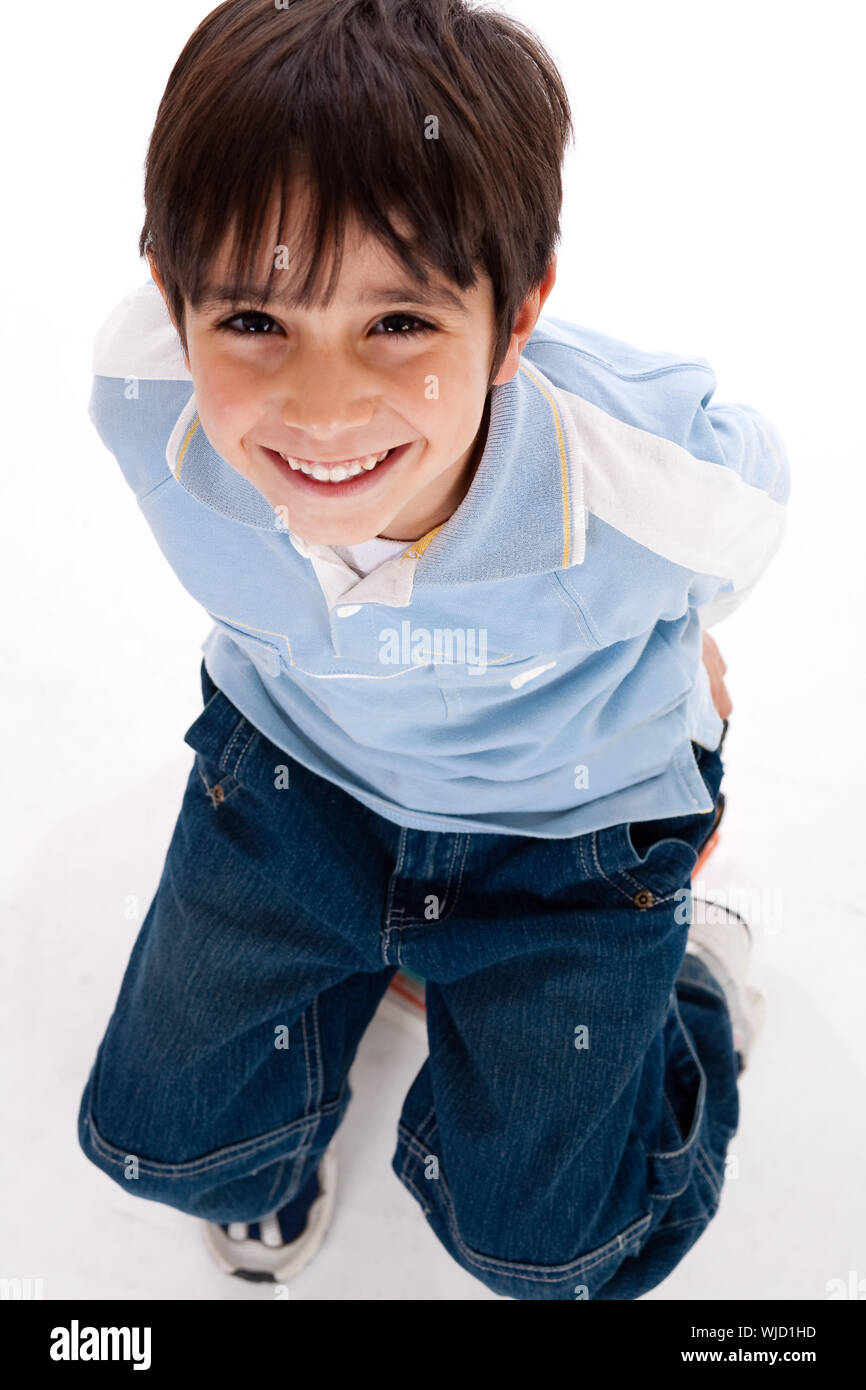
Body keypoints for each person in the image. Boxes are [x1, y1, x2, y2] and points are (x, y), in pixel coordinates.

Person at [77, 0, 789, 1299]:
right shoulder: (144, 395)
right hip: (303, 768)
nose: (321, 405)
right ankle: (288, 1099)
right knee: (156, 1139)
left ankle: (683, 1000)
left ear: (514, 317)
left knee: (546, 1246)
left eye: (397, 324)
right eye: (253, 321)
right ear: (172, 296)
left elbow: (734, 546)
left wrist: (687, 660)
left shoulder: (648, 477)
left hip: (561, 821)